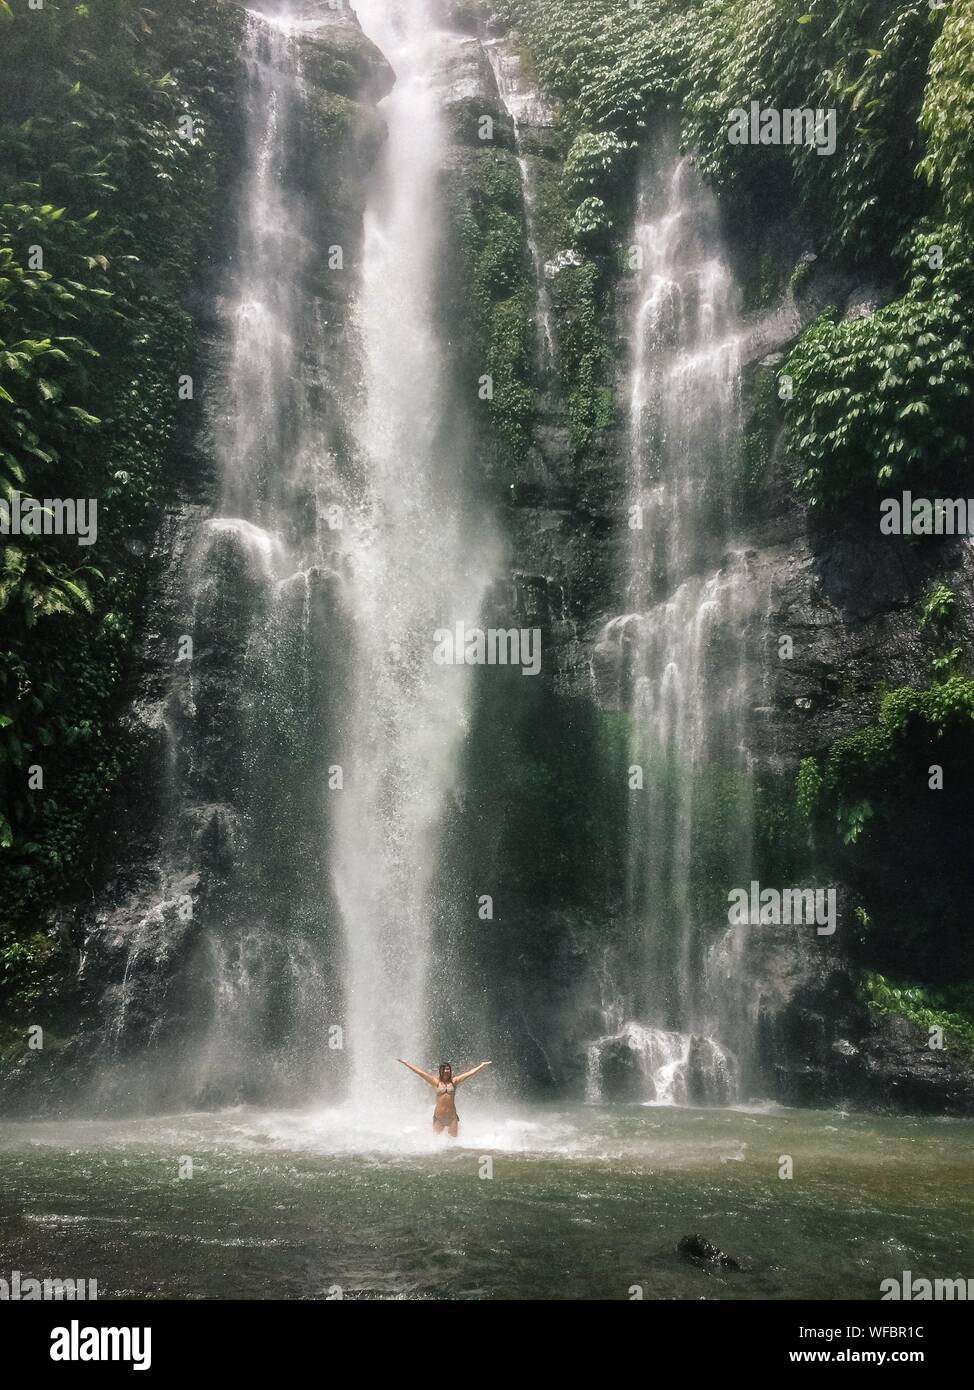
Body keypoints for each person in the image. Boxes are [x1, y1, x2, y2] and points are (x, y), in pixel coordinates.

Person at [396, 1058, 491, 1137]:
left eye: (448, 1069)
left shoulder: (454, 1081)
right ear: (441, 1071)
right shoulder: (436, 1082)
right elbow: (420, 1073)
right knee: (436, 1143)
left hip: (452, 1118)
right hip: (439, 1118)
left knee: (454, 1143)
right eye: (444, 1069)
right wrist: (406, 1063)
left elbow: (470, 1073)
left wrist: (481, 1065)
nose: (446, 1071)